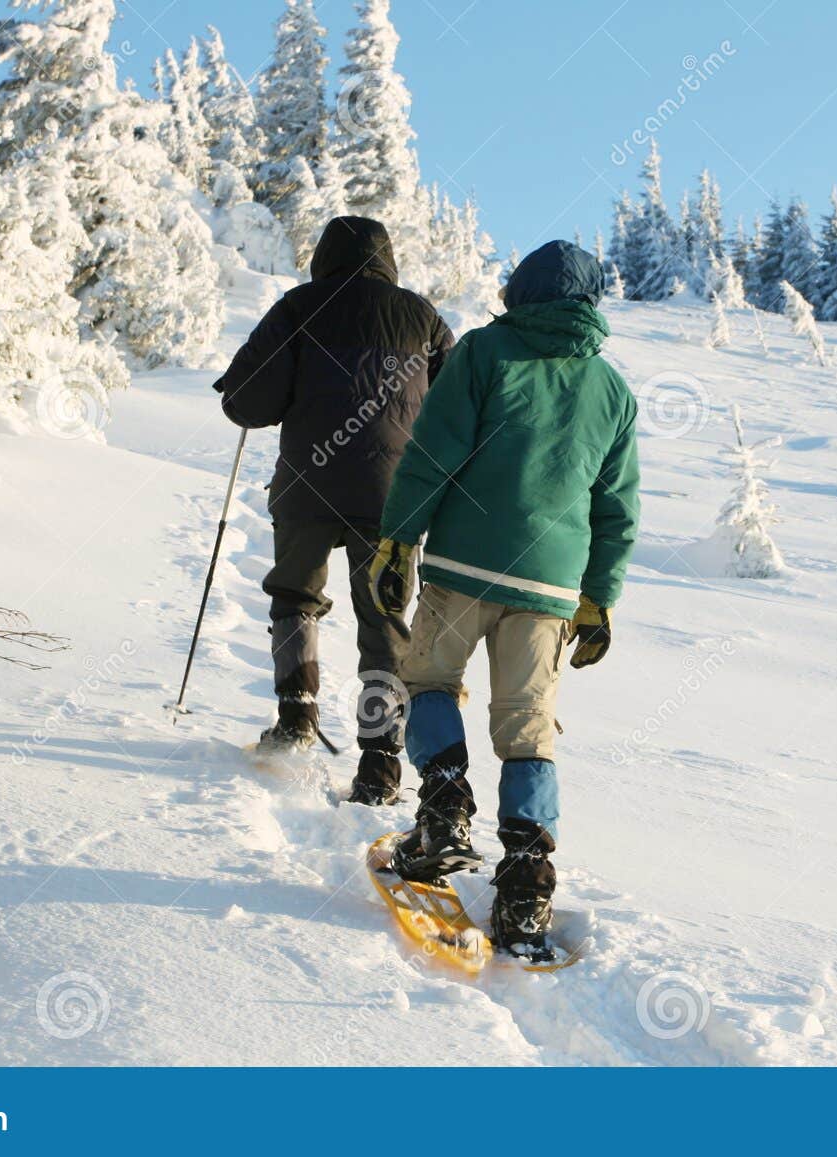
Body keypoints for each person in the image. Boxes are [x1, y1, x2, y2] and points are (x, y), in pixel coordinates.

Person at [367, 239, 640, 959]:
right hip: (551, 586)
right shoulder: (613, 390)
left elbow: (432, 450)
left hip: (464, 560)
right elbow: (617, 508)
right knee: (528, 729)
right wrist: (597, 597)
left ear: (520, 290)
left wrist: (399, 539)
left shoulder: (485, 352)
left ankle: (444, 814)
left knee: (427, 679)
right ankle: (526, 884)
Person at [214, 216, 453, 805]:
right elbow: (454, 410)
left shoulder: (299, 306)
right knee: (385, 620)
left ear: (325, 256)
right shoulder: (423, 317)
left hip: (307, 487)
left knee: (296, 598)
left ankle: (296, 719)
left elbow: (249, 404)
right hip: (393, 500)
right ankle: (379, 763)